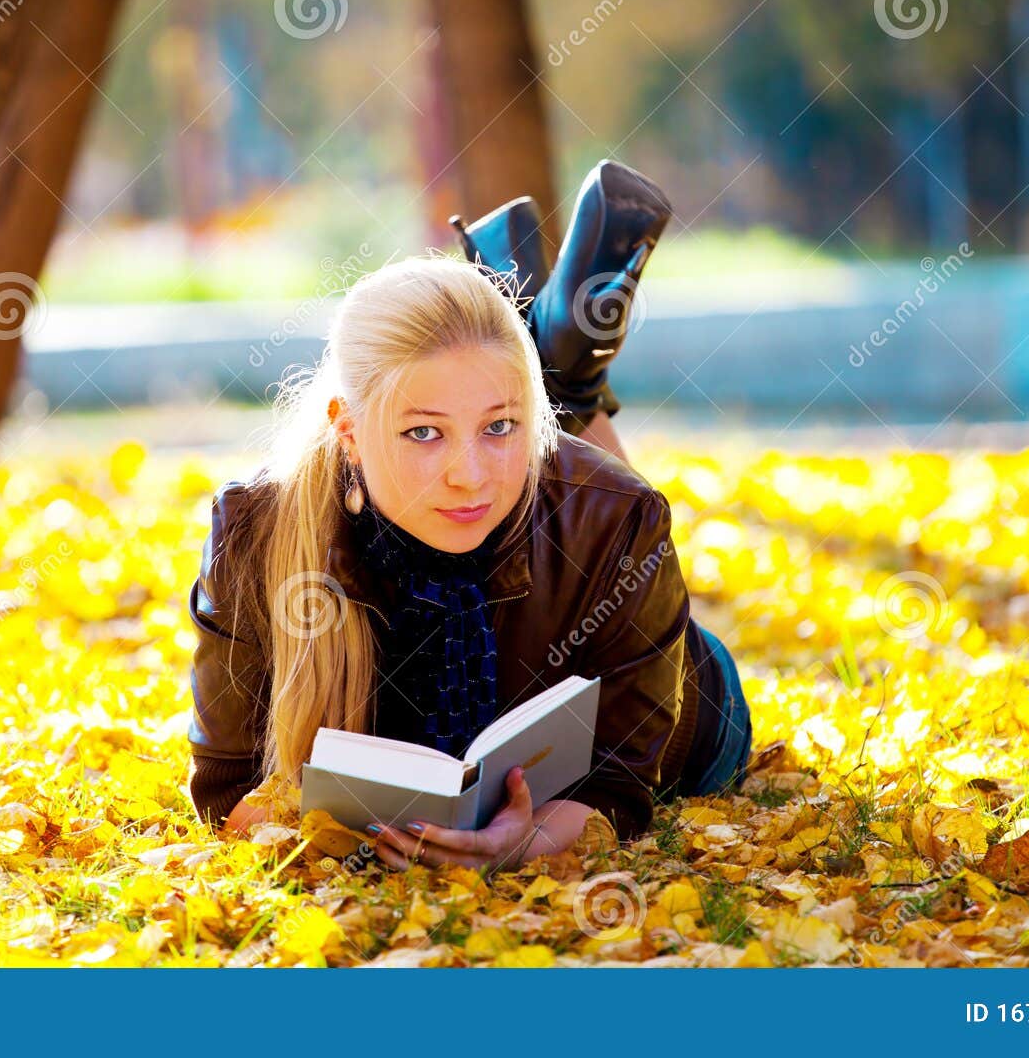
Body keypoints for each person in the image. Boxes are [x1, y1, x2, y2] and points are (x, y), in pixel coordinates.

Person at [185, 255, 752, 872]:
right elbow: (228, 789)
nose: (470, 477)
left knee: (590, 491)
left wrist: (521, 843)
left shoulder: (616, 519)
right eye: (424, 433)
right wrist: (365, 846)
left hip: (692, 713)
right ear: (347, 429)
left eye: (501, 426)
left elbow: (618, 788)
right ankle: (562, 369)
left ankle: (571, 387)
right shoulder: (256, 529)